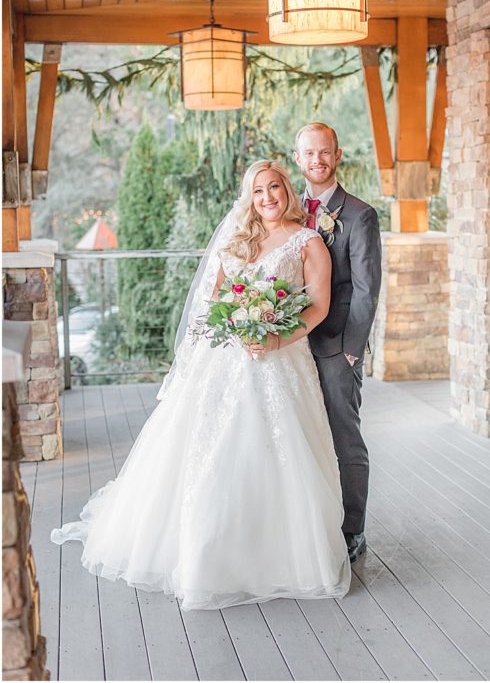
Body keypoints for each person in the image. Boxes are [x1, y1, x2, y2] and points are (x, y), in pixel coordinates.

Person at [52, 160, 351, 610]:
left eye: (273, 187)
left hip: (281, 361)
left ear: (286, 190)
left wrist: (275, 337)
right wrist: (214, 343)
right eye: (257, 191)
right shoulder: (235, 240)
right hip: (224, 359)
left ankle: (279, 553)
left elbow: (318, 306)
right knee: (205, 447)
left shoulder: (308, 242)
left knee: (280, 450)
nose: (267, 197)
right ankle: (200, 553)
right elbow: (212, 301)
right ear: (248, 198)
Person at [288, 122, 381, 563]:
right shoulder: (286, 214)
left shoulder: (359, 215)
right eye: (309, 154)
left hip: (334, 347)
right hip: (289, 346)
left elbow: (366, 289)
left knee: (345, 439)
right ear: (298, 159)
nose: (317, 161)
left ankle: (352, 529)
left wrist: (351, 350)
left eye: (324, 153)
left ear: (337, 155)